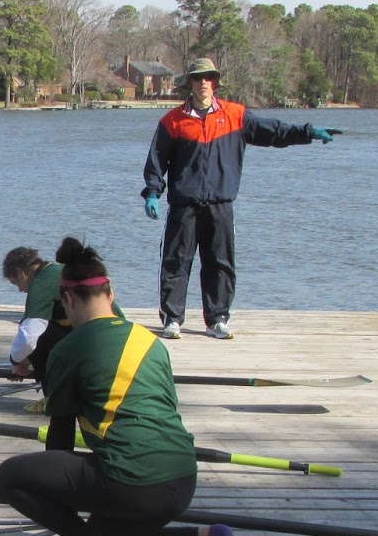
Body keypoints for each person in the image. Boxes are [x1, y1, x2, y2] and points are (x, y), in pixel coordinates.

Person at [0, 239, 234, 536]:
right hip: (183, 478)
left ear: (69, 300)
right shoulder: (151, 341)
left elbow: (60, 438)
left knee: (10, 477)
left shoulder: (67, 349)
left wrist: (64, 513)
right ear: (111, 293)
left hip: (132, 484)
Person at [141, 56, 337, 339]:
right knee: (176, 262)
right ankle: (173, 319)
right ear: (191, 84)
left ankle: (217, 319)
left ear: (215, 82)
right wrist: (152, 192)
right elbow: (156, 161)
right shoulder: (173, 121)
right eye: (198, 78)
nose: (204, 83)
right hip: (184, 205)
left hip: (220, 203)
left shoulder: (235, 116)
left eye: (208, 77)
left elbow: (275, 131)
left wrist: (310, 133)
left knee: (220, 263)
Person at [1, 246, 121, 392]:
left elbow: (29, 336)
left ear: (22, 272)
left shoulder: (41, 283)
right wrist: (26, 358)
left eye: (16, 283)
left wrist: (16, 361)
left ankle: (52, 396)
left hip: (100, 343)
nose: (20, 289)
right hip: (118, 334)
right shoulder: (57, 270)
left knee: (39, 334)